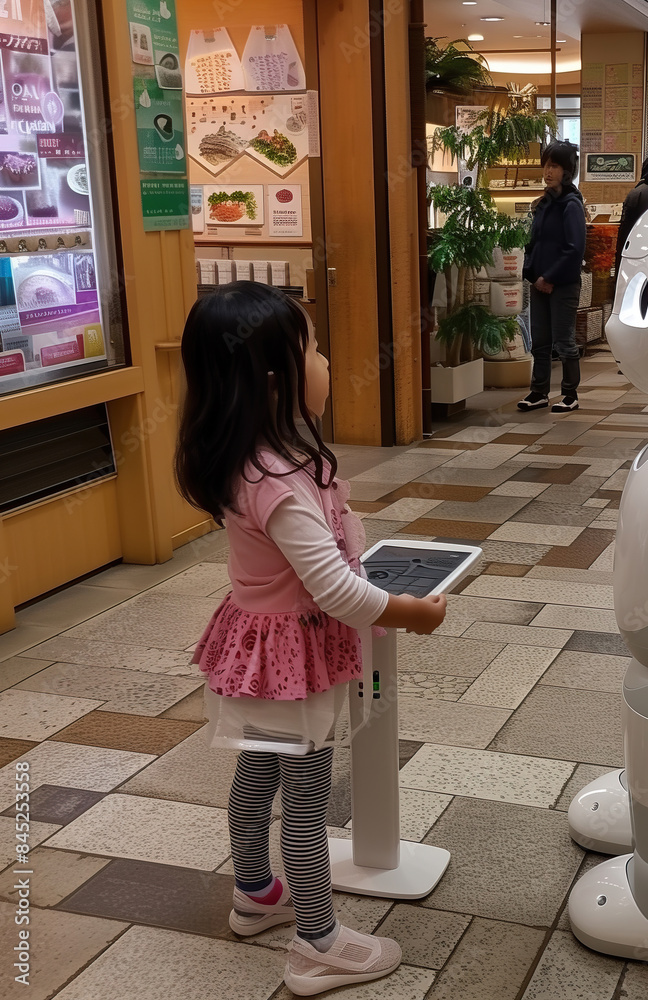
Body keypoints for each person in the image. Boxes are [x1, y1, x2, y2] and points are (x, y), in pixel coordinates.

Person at [175, 282, 447, 997]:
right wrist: (410, 612)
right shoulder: (281, 481)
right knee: (305, 794)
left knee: (257, 772)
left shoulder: (252, 461)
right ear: (275, 380)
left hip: (258, 651)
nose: (325, 362)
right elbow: (334, 589)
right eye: (314, 349)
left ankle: (256, 894)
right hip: (290, 656)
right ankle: (317, 942)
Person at [519, 139, 586, 413]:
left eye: (554, 166)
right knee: (541, 341)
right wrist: (531, 274)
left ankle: (570, 394)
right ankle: (539, 392)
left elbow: (574, 249)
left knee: (564, 341)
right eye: (546, 165)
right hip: (539, 282)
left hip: (563, 284)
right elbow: (532, 243)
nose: (548, 171)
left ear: (568, 170)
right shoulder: (543, 204)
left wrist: (549, 278)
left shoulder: (571, 205)